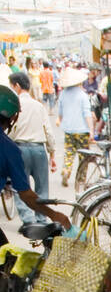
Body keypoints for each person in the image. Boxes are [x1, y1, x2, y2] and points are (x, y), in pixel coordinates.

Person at [0, 85, 69, 242]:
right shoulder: (9, 149)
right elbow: (26, 195)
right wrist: (54, 214)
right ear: (13, 117)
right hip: (37, 151)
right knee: (6, 257)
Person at [8, 72, 55, 227]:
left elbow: (10, 130)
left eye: (11, 86)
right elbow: (48, 131)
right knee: (42, 187)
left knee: (20, 186)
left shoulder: (14, 105)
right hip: (39, 150)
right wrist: (52, 152)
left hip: (19, 149)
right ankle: (41, 219)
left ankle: (28, 220)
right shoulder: (38, 105)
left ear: (17, 86)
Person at [57, 65, 94, 189]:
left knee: (69, 153)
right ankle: (80, 179)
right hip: (82, 130)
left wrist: (61, 122)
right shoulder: (82, 95)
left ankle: (66, 170)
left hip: (68, 129)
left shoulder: (63, 94)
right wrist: (92, 131)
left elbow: (60, 113)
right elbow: (87, 114)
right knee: (83, 156)